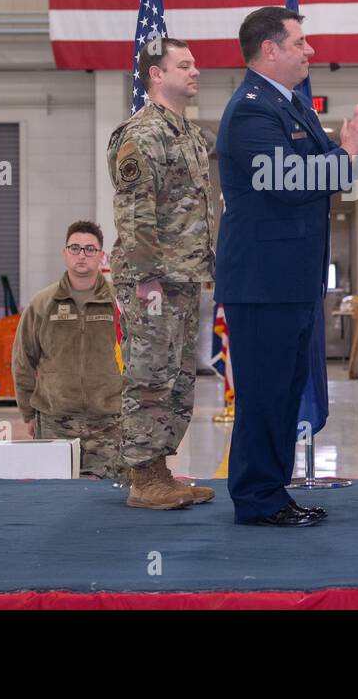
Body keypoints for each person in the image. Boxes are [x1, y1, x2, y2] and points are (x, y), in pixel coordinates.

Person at [215, 6, 358, 527]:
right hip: (263, 282)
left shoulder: (290, 106)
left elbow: (321, 167)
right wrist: (347, 150)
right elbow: (287, 179)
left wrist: (350, 149)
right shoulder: (250, 111)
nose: (310, 51)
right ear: (271, 49)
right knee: (265, 393)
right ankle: (257, 498)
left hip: (292, 279)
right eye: (301, 42)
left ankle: (272, 491)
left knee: (285, 392)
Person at [107, 37, 215, 510]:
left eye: (195, 65)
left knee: (176, 377)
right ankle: (142, 479)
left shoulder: (188, 135)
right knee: (149, 376)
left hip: (184, 278)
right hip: (153, 280)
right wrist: (148, 278)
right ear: (156, 73)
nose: (195, 72)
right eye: (184, 65)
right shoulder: (143, 134)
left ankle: (159, 472)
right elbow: (135, 214)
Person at [12, 220, 125, 479]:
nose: (81, 255)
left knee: (109, 502)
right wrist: (28, 413)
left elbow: (140, 357)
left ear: (101, 256)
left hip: (109, 423)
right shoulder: (42, 304)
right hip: (55, 423)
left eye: (89, 249)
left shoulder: (120, 302)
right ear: (64, 253)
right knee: (54, 499)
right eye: (75, 248)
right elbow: (22, 360)